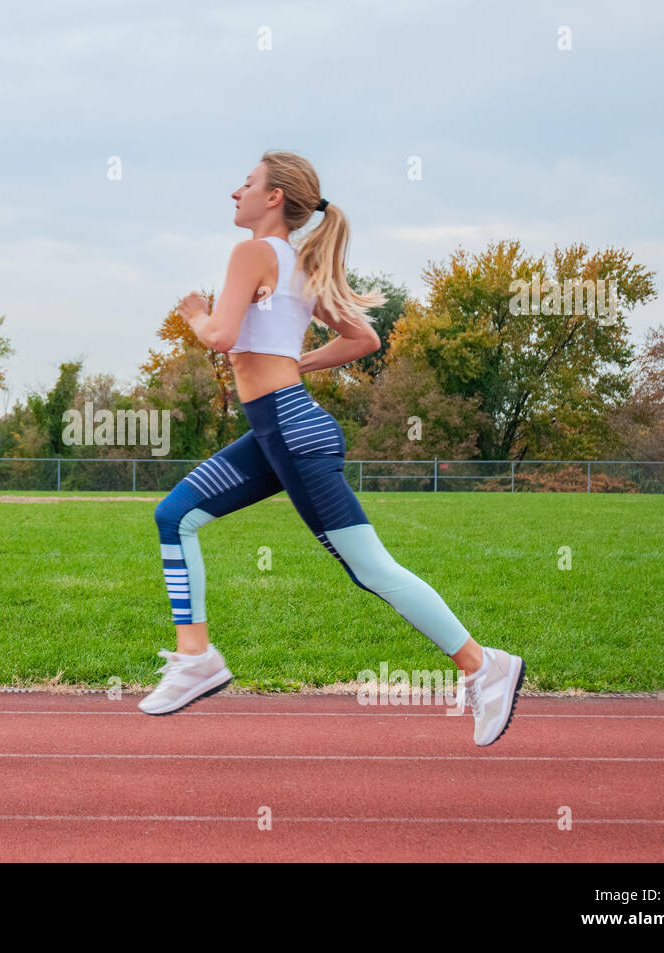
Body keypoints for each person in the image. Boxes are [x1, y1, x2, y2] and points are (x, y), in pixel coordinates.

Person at [140, 151, 524, 746]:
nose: (233, 192)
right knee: (175, 515)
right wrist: (296, 364)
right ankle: (197, 658)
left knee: (370, 569)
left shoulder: (252, 253)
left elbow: (219, 335)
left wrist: (195, 313)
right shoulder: (295, 264)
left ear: (274, 198)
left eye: (246, 183)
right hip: (280, 430)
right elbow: (364, 337)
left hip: (290, 432)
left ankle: (483, 664)